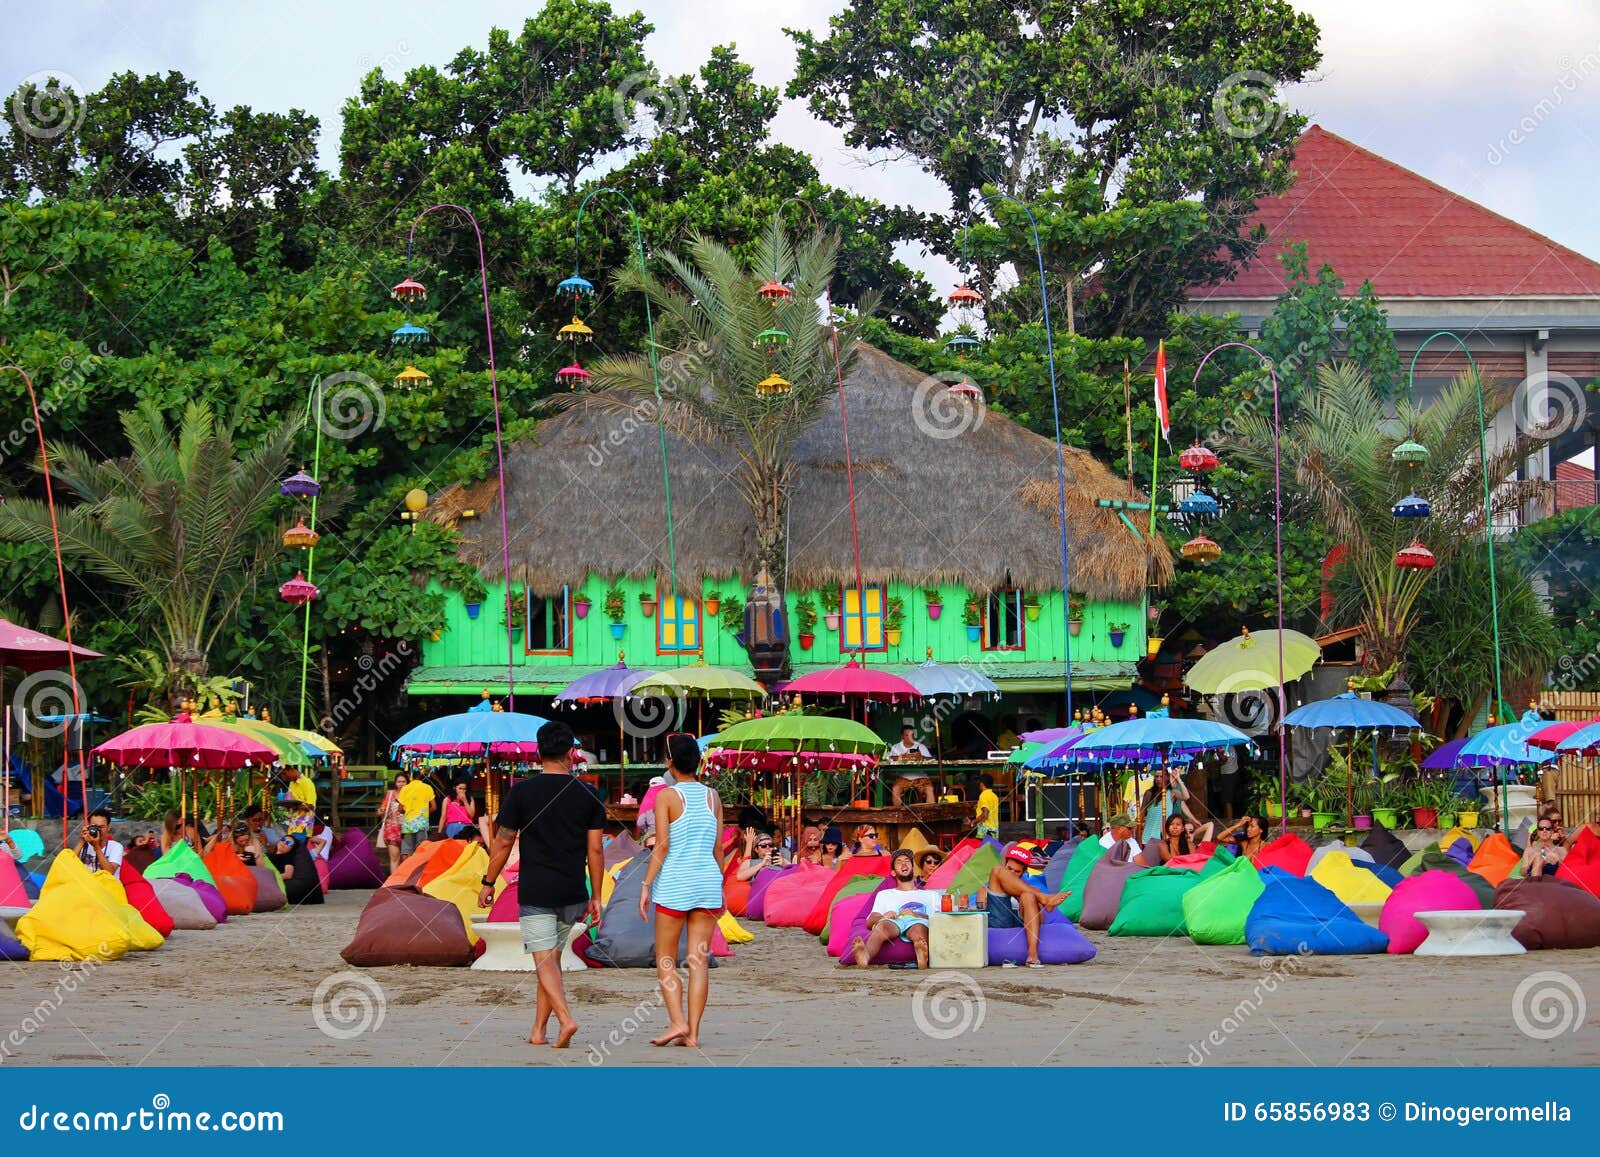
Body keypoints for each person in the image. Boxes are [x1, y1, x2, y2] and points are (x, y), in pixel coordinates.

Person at [479, 720, 604, 1050]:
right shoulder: (588, 794)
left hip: (536, 889)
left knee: (545, 961)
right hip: (573, 889)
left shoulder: (522, 792)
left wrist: (488, 882)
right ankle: (538, 1030)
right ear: (571, 753)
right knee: (550, 961)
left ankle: (565, 1019)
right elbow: (595, 849)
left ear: (538, 751)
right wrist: (598, 895)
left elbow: (504, 842)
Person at [639, 734, 727, 1047]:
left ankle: (677, 1021)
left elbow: (661, 847)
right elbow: (718, 850)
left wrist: (646, 884)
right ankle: (693, 1034)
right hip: (707, 885)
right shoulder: (713, 797)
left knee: (665, 958)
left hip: (675, 885)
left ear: (670, 763)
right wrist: (722, 889)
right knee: (698, 962)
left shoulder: (666, 796)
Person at [845, 848, 938, 968]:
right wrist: (883, 916)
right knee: (882, 927)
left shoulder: (931, 895)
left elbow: (942, 919)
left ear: (913, 869)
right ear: (893, 872)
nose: (904, 864)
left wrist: (917, 915)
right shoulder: (885, 894)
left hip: (918, 921)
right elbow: (870, 921)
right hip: (895, 921)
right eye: (899, 862)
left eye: (907, 861)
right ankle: (865, 957)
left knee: (918, 929)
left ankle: (921, 956)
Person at [987, 844, 1065, 967]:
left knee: (1029, 895)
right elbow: (983, 913)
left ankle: (1032, 953)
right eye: (1009, 869)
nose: (1012, 873)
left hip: (1022, 923)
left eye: (1017, 871)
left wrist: (1028, 900)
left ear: (1024, 872)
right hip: (1000, 921)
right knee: (996, 870)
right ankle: (1044, 899)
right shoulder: (992, 883)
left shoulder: (1032, 889)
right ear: (1004, 864)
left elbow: (1042, 920)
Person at [1138, 769, 1197, 843]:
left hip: (1162, 835)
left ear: (1167, 778)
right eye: (1156, 776)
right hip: (1147, 835)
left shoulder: (1172, 793)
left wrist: (1178, 779)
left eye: (1161, 776)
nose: (1158, 779)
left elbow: (1186, 796)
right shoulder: (1149, 793)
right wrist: (1137, 828)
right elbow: (1142, 812)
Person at [886, 726, 936, 806]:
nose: (910, 737)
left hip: (921, 778)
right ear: (902, 736)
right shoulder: (896, 747)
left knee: (929, 789)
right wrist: (902, 757)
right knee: (895, 789)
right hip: (903, 778)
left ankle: (929, 814)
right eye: (907, 735)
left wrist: (921, 757)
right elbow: (888, 758)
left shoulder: (920, 746)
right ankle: (899, 815)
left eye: (912, 735)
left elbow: (931, 759)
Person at [397, 772, 436, 858]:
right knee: (421, 851)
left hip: (408, 824)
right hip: (422, 823)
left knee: (406, 851)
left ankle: (406, 870)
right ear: (421, 775)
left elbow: (399, 809)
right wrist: (423, 814)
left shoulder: (405, 789)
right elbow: (434, 807)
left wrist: (406, 812)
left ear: (408, 776)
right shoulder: (427, 787)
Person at [74, 809, 123, 873]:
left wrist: (96, 847)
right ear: (88, 826)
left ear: (108, 827)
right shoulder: (84, 845)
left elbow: (110, 872)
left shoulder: (116, 847)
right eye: (94, 827)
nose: (98, 830)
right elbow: (68, 864)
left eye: (101, 827)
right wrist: (82, 840)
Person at [378, 773, 406, 872]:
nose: (401, 784)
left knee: (406, 859)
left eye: (403, 782)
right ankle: (394, 885)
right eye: (399, 782)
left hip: (407, 829)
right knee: (394, 858)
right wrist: (381, 811)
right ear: (395, 783)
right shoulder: (390, 794)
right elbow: (382, 808)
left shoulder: (411, 794)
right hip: (392, 829)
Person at [974, 773, 1001, 839]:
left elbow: (985, 814)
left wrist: (974, 822)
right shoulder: (994, 796)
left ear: (982, 784)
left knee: (983, 849)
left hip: (985, 832)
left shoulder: (983, 795)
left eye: (979, 782)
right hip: (994, 831)